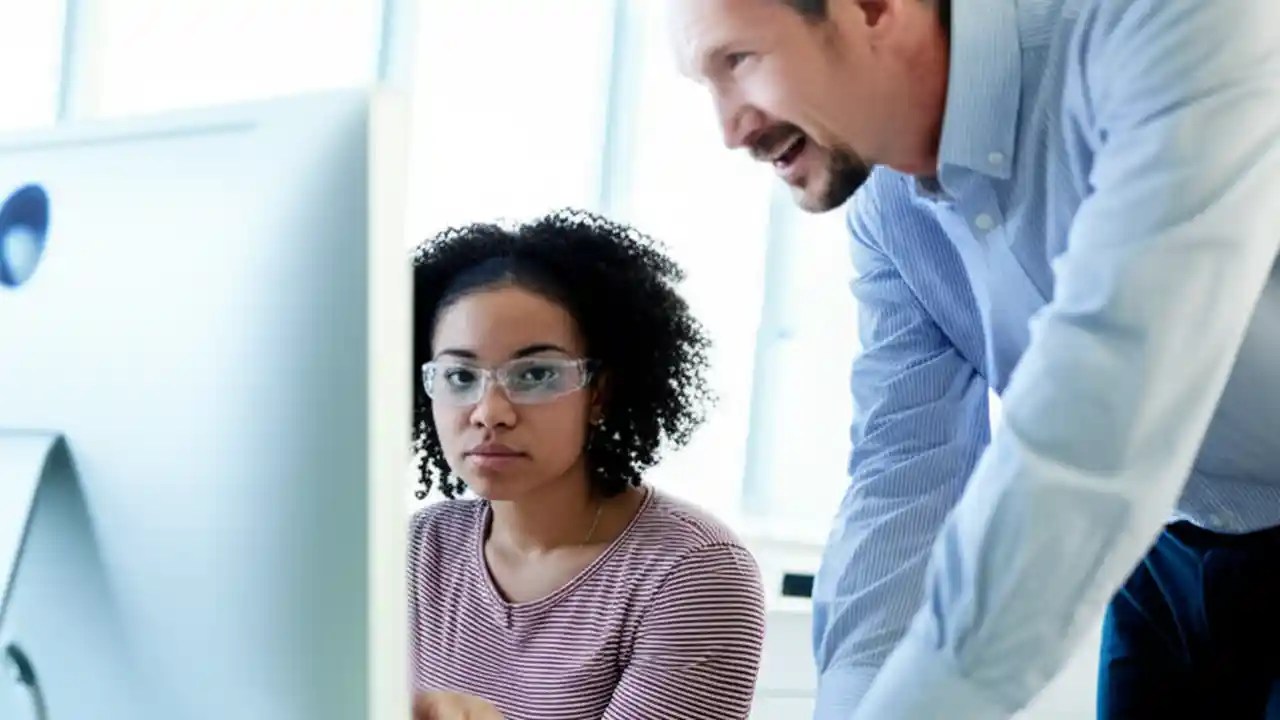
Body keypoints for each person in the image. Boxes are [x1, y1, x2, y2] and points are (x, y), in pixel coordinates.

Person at [667, 0, 1280, 718]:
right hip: (1169, 553)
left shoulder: (1165, 26)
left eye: (739, 61)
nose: (730, 129)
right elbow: (904, 478)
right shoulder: (887, 214)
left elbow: (1107, 406)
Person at [406, 209, 768, 720]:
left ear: (599, 393)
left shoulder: (690, 571)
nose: (490, 412)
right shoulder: (420, 550)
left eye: (535, 374)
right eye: (460, 377)